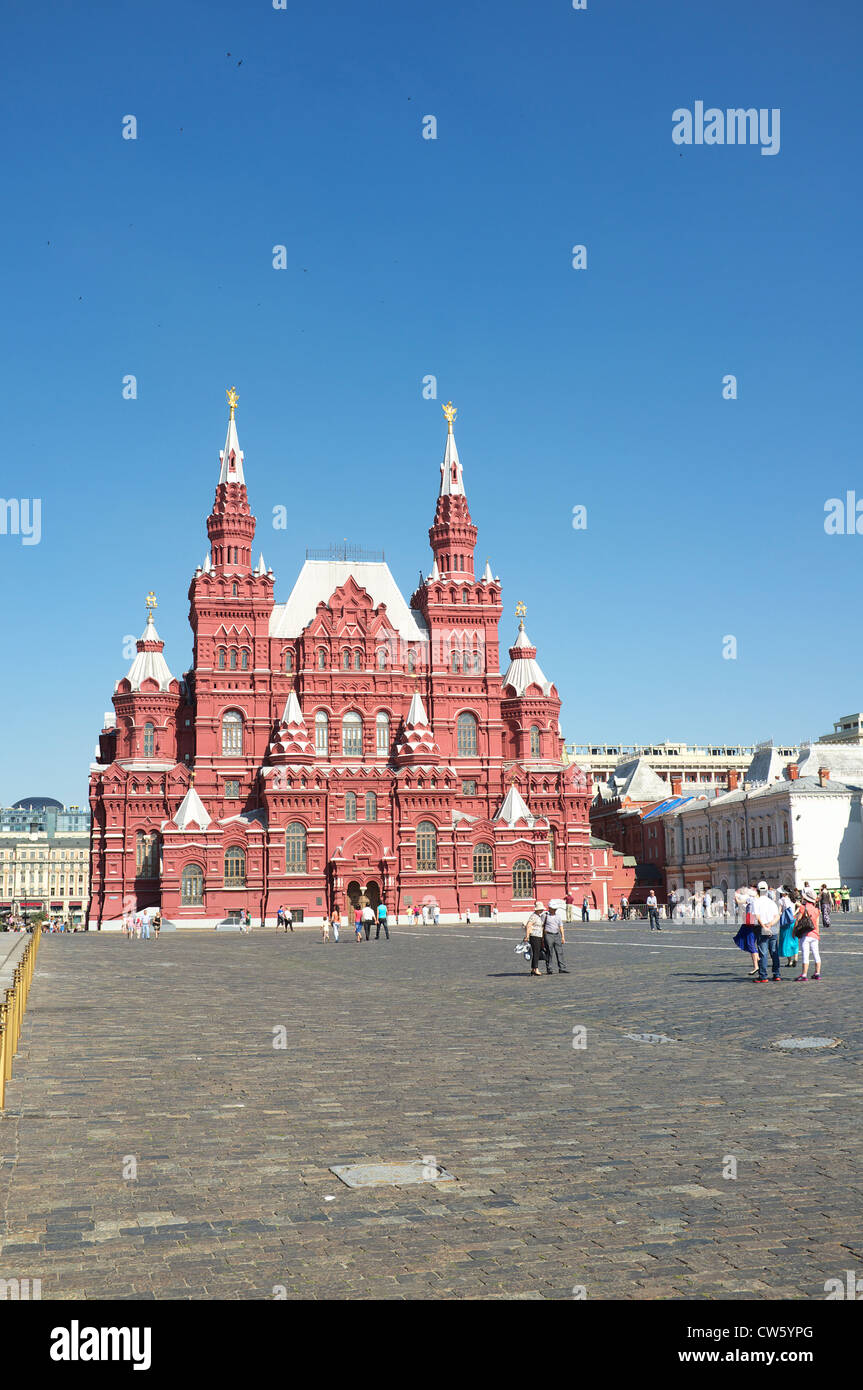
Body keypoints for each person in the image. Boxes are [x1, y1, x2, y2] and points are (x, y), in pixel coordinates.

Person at [752, 880, 781, 982]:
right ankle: (777, 974)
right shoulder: (772, 902)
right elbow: (777, 916)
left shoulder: (756, 902)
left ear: (758, 891)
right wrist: (770, 924)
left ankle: (763, 976)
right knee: (774, 952)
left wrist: (764, 926)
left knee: (763, 953)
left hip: (762, 928)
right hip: (773, 928)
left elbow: (757, 916)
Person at [794, 888, 822, 980]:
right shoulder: (817, 910)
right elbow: (817, 924)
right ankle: (817, 973)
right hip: (814, 934)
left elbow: (798, 920)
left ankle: (804, 975)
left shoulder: (803, 908)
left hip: (806, 934)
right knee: (816, 954)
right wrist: (817, 935)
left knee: (805, 955)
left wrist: (794, 931)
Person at [542, 903, 568, 973]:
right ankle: (549, 968)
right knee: (549, 952)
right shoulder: (545, 916)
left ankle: (562, 968)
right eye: (553, 909)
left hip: (557, 935)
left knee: (559, 952)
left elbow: (561, 926)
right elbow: (541, 925)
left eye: (555, 909)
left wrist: (563, 936)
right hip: (548, 935)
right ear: (549, 908)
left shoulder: (558, 916)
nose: (554, 910)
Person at [523, 901, 547, 976]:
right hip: (534, 936)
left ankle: (533, 969)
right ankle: (535, 969)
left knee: (536, 953)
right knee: (536, 953)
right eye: (541, 909)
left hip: (538, 936)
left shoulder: (538, 916)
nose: (542, 910)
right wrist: (527, 936)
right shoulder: (534, 916)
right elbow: (528, 925)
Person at [777, 887, 799, 969]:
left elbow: (779, 912)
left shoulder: (781, 900)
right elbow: (800, 907)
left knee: (785, 941)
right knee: (794, 939)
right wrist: (794, 913)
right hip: (793, 920)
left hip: (785, 922)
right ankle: (796, 958)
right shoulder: (792, 899)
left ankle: (789, 961)